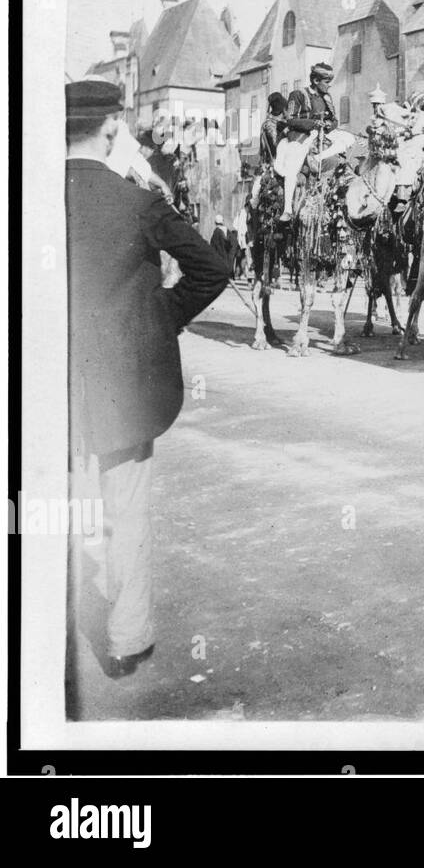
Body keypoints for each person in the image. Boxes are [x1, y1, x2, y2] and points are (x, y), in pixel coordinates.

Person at [66, 80, 229, 681]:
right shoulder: (137, 201)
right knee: (125, 507)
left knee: (34, 512)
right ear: (112, 128)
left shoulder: (26, 200)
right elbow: (213, 267)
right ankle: (127, 637)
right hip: (121, 379)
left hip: (43, 380)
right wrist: (161, 315)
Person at [275, 63, 355, 223]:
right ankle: (287, 210)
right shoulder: (298, 94)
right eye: (326, 81)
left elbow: (334, 120)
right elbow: (290, 120)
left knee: (349, 138)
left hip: (323, 134)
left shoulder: (327, 97)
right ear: (316, 80)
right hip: (301, 136)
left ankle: (318, 158)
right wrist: (313, 124)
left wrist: (328, 125)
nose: (329, 85)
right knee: (291, 169)